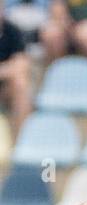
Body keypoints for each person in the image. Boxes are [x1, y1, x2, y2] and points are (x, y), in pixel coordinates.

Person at [0, 0, 32, 132]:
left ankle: (22, 138)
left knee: (21, 83)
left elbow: (22, 65)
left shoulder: (12, 31)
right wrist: (8, 67)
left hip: (5, 88)